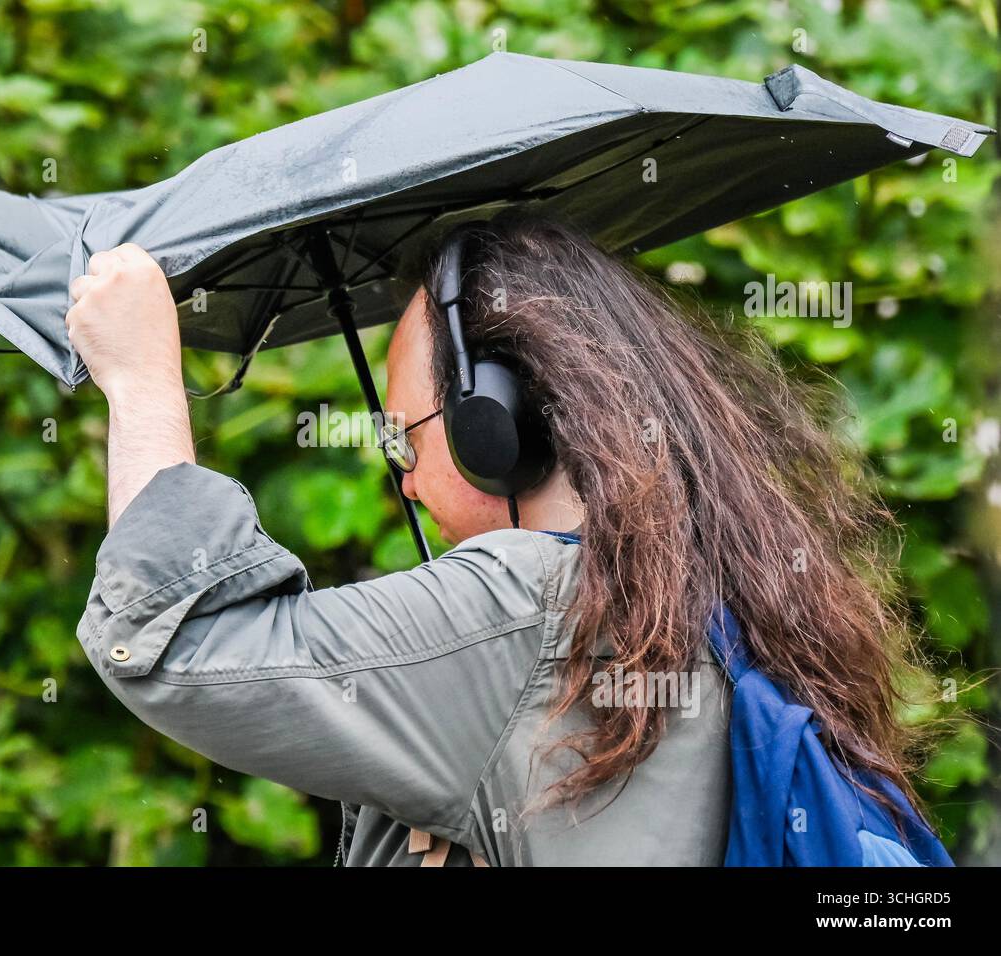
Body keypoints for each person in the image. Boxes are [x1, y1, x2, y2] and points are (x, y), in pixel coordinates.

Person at [65, 213, 929, 866]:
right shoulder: (714, 596)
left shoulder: (527, 605)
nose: (401, 478)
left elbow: (180, 647)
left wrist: (140, 378)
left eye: (406, 437)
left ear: (495, 424)